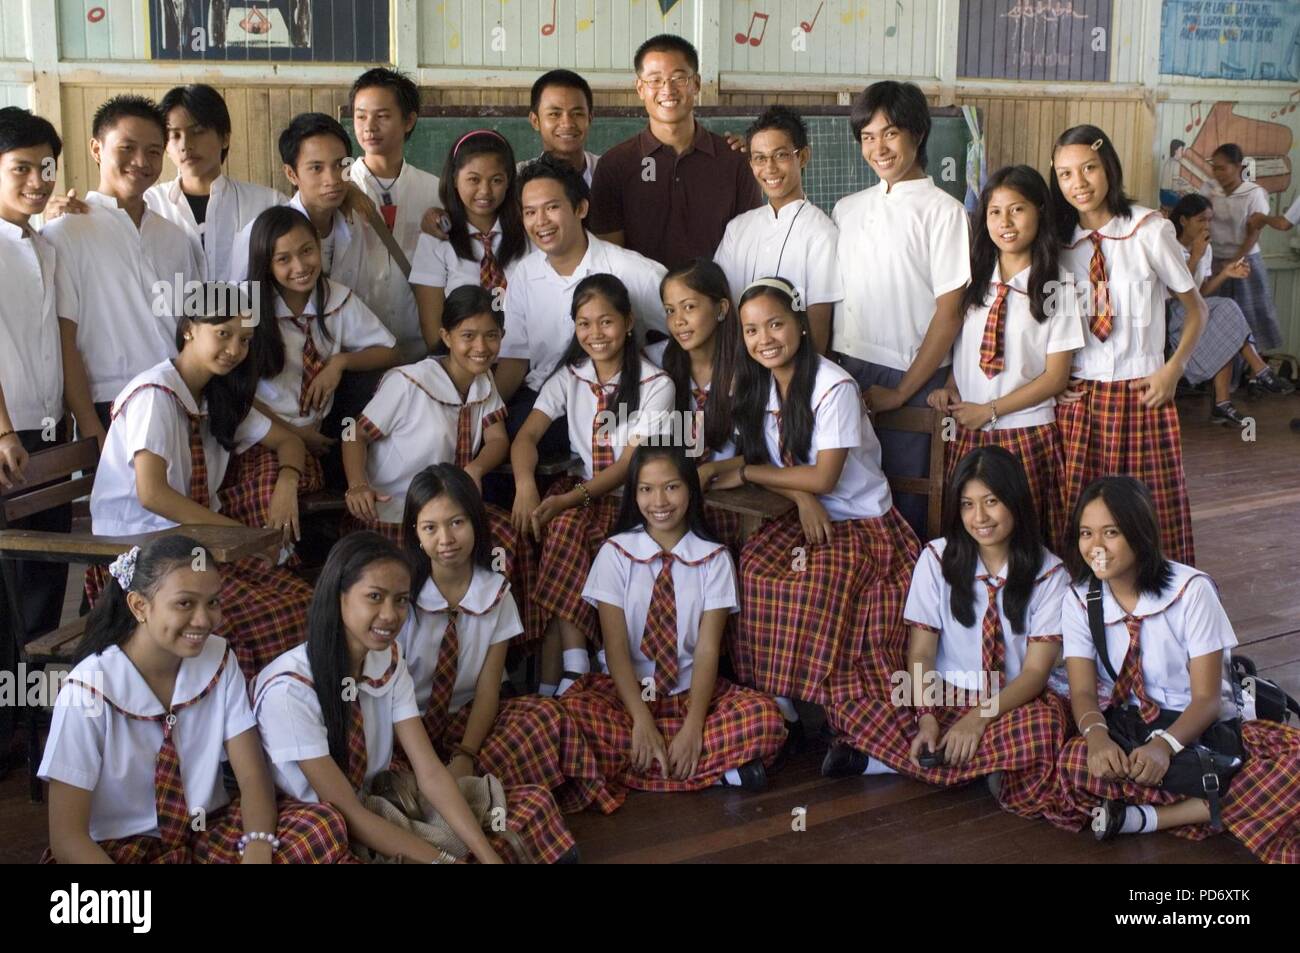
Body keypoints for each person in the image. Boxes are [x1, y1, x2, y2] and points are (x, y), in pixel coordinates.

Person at [254, 533, 577, 863]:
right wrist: (442, 861)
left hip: (380, 801)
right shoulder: (290, 689)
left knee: (532, 807)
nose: (390, 615)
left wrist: (487, 855)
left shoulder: (388, 658)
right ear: (339, 596)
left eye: (400, 600)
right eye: (375, 597)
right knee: (326, 835)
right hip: (324, 824)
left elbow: (430, 772)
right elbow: (347, 812)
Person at [39, 537, 352, 864]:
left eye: (213, 602)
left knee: (322, 825)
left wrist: (257, 847)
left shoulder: (219, 659)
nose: (204, 620)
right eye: (185, 604)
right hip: (119, 850)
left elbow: (252, 778)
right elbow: (67, 839)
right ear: (139, 606)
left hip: (204, 833)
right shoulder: (88, 690)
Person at [707, 278, 919, 745]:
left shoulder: (833, 385)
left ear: (800, 325)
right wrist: (796, 494)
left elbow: (823, 478)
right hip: (798, 511)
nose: (765, 340)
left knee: (815, 579)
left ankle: (823, 701)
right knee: (754, 569)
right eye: (751, 331)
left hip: (861, 522)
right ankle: (777, 697)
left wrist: (751, 473)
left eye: (776, 324)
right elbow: (783, 470)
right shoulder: (754, 384)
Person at [1057, 477, 1300, 863]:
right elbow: (1084, 692)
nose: (1096, 547)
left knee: (1292, 769)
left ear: (1140, 533)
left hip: (1200, 726)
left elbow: (1206, 700)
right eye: (1086, 533)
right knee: (1073, 763)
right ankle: (1221, 800)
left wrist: (1164, 747)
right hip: (1134, 724)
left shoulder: (1191, 591)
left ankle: (1152, 817)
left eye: (1111, 532)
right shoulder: (1078, 599)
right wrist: (1097, 737)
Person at [87, 284, 313, 679]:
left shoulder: (214, 395)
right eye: (222, 333)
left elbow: (289, 441)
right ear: (190, 328)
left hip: (196, 545)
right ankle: (223, 724)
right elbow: (152, 494)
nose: (234, 350)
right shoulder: (154, 394)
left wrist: (287, 483)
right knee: (263, 618)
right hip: (139, 553)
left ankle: (269, 722)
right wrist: (239, 536)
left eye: (243, 340)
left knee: (305, 602)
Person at [561, 445, 786, 795]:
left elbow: (709, 649)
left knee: (766, 718)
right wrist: (641, 721)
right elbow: (616, 648)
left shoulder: (714, 559)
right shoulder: (614, 554)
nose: (659, 501)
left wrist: (694, 727)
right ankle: (716, 773)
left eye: (671, 486)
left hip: (691, 694)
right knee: (569, 716)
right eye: (646, 489)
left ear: (690, 490)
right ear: (633, 494)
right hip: (625, 698)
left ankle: (639, 767)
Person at [510, 274, 675, 697]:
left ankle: (572, 671)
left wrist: (566, 499)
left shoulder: (657, 385)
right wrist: (526, 484)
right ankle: (573, 664)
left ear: (628, 322)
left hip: (632, 499)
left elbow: (626, 466)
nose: (595, 334)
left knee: (568, 523)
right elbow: (526, 437)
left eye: (606, 322)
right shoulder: (570, 377)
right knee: (558, 527)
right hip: (582, 490)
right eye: (584, 324)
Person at [1050, 124, 1206, 566]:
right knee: (1080, 512)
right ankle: (1088, 610)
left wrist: (1172, 370)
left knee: (1144, 513)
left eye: (1089, 169)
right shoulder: (1059, 241)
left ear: (1109, 168)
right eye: (1064, 174)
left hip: (1142, 394)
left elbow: (1197, 311)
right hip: (1080, 399)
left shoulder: (1148, 230)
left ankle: (1157, 610)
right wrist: (1056, 380)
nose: (1078, 183)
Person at [831, 80, 971, 537]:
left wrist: (900, 391)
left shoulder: (944, 212)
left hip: (912, 376)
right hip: (850, 371)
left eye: (889, 133)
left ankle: (913, 600)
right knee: (852, 496)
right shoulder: (846, 209)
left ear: (917, 133)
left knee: (910, 503)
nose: (878, 147)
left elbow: (949, 314)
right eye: (867, 137)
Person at [926, 165, 1082, 553]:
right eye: (995, 212)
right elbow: (966, 349)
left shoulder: (1056, 286)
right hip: (971, 430)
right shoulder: (974, 279)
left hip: (1025, 433)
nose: (1005, 222)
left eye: (1017, 209)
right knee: (973, 538)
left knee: (1025, 541)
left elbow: (1055, 378)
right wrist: (950, 388)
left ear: (1040, 212)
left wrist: (991, 410)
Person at [44, 95, 203, 441]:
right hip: (109, 403)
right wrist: (89, 426)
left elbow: (190, 326)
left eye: (153, 151)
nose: (140, 161)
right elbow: (64, 340)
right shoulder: (64, 233)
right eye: (127, 148)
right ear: (97, 149)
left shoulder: (174, 237)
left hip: (176, 396)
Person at [497, 155, 666, 454]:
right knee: (492, 436)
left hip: (611, 402)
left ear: (580, 208)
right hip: (542, 396)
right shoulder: (525, 272)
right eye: (530, 212)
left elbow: (684, 330)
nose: (541, 222)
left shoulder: (633, 271)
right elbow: (515, 358)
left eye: (552, 207)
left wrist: (647, 366)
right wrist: (485, 411)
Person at [587, 34, 762, 269]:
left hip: (716, 301)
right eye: (655, 80)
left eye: (679, 78)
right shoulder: (615, 165)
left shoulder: (734, 160)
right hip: (639, 302)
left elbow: (750, 248)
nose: (667, 89)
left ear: (696, 83)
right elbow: (610, 259)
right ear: (640, 87)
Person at [0, 107, 71, 646]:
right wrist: (3, 431)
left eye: (46, 169)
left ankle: (34, 711)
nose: (37, 182)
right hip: (8, 436)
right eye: (20, 168)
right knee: (10, 585)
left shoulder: (45, 246)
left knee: (46, 573)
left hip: (48, 429)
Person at [713, 105, 841, 354]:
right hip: (739, 366)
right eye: (760, 158)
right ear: (751, 163)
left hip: (793, 370)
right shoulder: (738, 228)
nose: (769, 168)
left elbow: (818, 326)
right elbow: (720, 302)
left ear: (802, 157)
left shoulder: (821, 233)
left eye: (780, 155)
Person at [1166, 193, 1293, 430]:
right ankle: (1260, 372)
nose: (1206, 226)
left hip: (1194, 308)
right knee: (1225, 308)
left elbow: (1200, 291)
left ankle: (1224, 402)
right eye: (1201, 220)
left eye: (1209, 221)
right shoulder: (1168, 244)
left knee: (1225, 318)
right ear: (1184, 221)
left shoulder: (1206, 249)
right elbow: (1175, 292)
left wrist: (1225, 273)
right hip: (1170, 312)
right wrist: (1194, 256)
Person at [146, 84, 284, 283]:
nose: (185, 145)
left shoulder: (267, 203)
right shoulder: (148, 205)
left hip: (248, 313)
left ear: (225, 138)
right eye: (174, 135)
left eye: (198, 131)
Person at [409, 129, 526, 349]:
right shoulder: (435, 240)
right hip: (462, 364)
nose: (485, 191)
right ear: (454, 179)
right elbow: (433, 331)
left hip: (525, 360)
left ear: (509, 181)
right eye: (473, 179)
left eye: (496, 180)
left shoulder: (528, 234)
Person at [1199, 144, 1283, 352]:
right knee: (1214, 317)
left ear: (1238, 167)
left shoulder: (1254, 193)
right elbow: (1200, 221)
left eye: (1223, 168)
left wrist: (1234, 260)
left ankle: (1253, 373)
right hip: (1215, 261)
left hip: (1245, 262)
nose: (1217, 173)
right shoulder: (1208, 189)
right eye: (1214, 168)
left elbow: (1253, 232)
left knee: (1249, 317)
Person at [520, 69, 600, 186]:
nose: (567, 124)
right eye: (554, 114)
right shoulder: (519, 178)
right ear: (535, 121)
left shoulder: (610, 172)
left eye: (577, 114)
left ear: (590, 118)